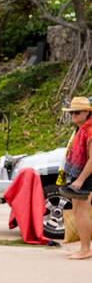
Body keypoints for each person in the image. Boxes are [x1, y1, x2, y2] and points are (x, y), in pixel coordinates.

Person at [58, 95, 92, 260]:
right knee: (78, 211)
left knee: (82, 211)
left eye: (77, 112)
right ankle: (83, 247)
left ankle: (86, 249)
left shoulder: (90, 129)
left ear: (87, 112)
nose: (73, 116)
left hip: (85, 176)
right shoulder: (82, 129)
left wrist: (80, 180)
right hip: (79, 174)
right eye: (71, 113)